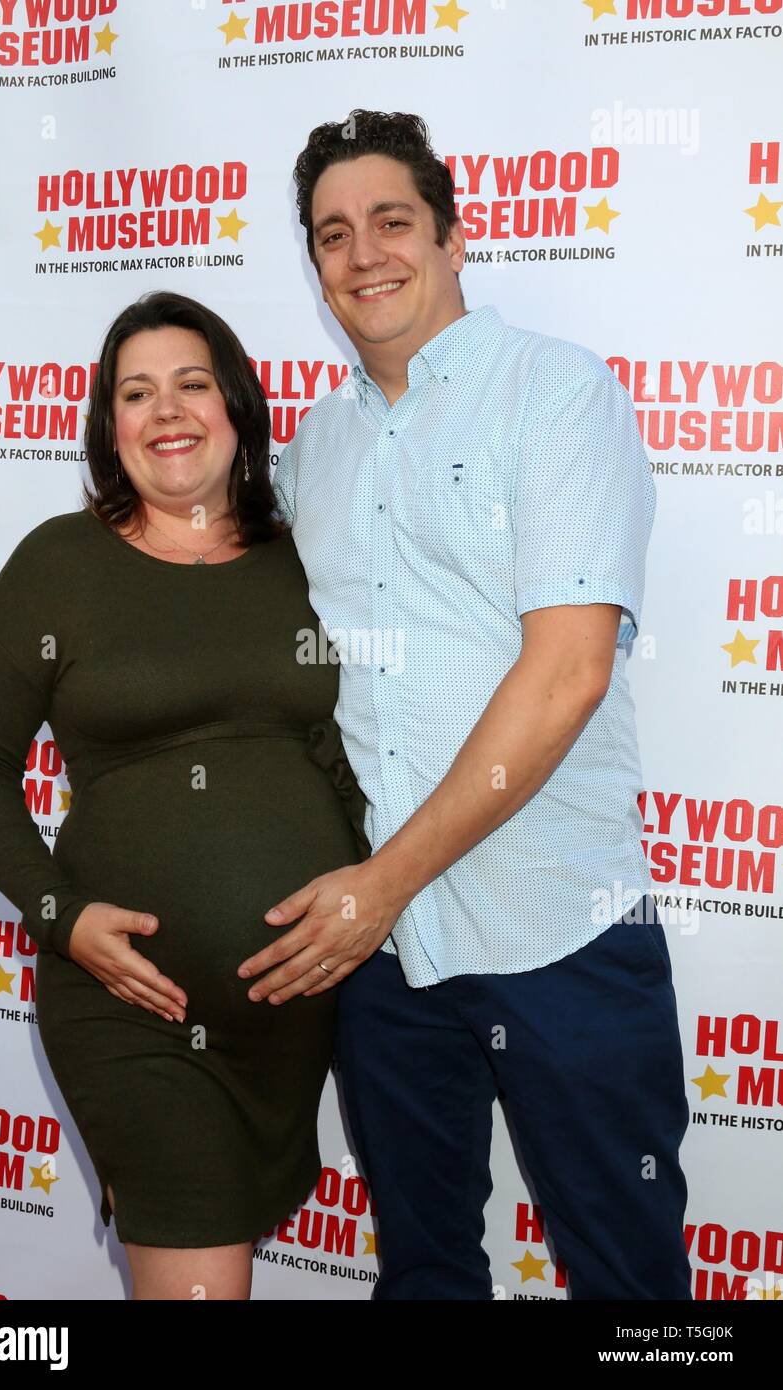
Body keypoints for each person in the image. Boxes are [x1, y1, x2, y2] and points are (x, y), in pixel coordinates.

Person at [237, 110, 693, 1299]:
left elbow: (566, 671)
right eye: (331, 235)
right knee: (424, 1273)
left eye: (391, 221)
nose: (363, 254)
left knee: (628, 1285)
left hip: (556, 924)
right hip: (386, 957)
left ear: (451, 236)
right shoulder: (312, 449)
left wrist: (380, 881)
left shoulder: (553, 392)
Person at [0, 289, 370, 1301]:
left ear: (235, 408)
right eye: (136, 392)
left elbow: (347, 745)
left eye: (190, 384)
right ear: (108, 425)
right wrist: (62, 916)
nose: (166, 410)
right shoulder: (61, 562)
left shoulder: (304, 556)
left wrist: (361, 881)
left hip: (297, 1005)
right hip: (130, 1006)